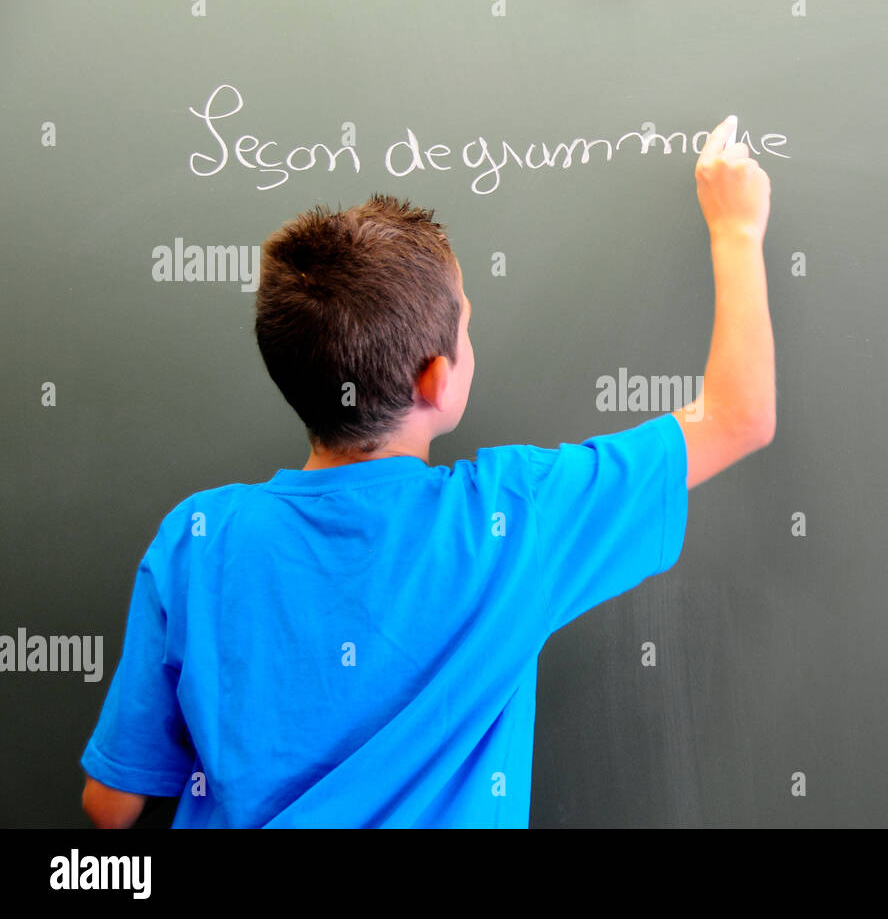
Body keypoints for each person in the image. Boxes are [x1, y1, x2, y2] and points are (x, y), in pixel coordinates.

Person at [78, 115, 775, 827]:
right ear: (438, 379)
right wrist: (737, 230)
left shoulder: (199, 537)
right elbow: (739, 415)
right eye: (466, 325)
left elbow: (112, 804)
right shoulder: (513, 517)